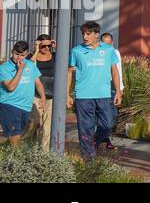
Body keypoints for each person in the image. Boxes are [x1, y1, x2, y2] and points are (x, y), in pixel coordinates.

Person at [67, 21, 122, 159]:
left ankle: (94, 141)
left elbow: (114, 71)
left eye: (88, 33)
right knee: (85, 128)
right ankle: (88, 160)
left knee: (108, 124)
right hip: (83, 96)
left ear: (96, 35)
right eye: (83, 34)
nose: (84, 37)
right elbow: (69, 72)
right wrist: (67, 94)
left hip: (103, 95)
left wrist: (118, 91)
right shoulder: (76, 51)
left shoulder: (108, 50)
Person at [0, 42, 44, 146]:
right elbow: (11, 87)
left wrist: (42, 96)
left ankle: (9, 154)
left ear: (27, 54)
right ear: (12, 52)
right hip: (9, 105)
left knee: (10, 136)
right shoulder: (4, 68)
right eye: (16, 54)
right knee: (14, 136)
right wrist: (20, 70)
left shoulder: (30, 65)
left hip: (26, 107)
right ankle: (16, 158)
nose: (19, 58)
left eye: (22, 55)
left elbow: (37, 82)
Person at [28, 34, 56, 149]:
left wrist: (56, 47)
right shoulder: (32, 56)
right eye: (44, 46)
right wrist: (36, 49)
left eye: (49, 45)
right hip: (35, 94)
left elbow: (65, 61)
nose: (47, 48)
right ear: (38, 44)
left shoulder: (55, 55)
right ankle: (29, 146)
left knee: (47, 125)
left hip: (51, 93)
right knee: (34, 121)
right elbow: (29, 65)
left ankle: (44, 152)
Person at [99, 32, 124, 152]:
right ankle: (99, 139)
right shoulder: (98, 53)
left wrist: (120, 89)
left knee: (113, 116)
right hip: (102, 87)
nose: (106, 46)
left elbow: (118, 71)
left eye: (109, 44)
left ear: (112, 43)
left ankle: (102, 138)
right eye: (104, 43)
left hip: (113, 87)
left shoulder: (115, 53)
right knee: (102, 116)